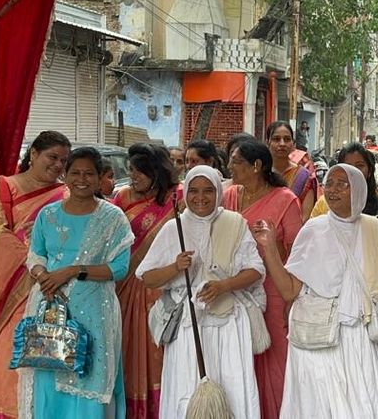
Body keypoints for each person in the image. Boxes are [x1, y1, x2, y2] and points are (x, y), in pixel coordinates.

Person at [251, 164, 378, 417]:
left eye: (342, 184)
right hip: (321, 338)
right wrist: (270, 248)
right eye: (329, 183)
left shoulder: (375, 228)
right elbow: (289, 291)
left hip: (364, 338)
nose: (333, 190)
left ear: (359, 190)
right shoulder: (314, 229)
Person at [137, 165, 265, 419]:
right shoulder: (174, 228)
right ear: (186, 194)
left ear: (218, 192)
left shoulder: (235, 223)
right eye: (193, 190)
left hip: (229, 325)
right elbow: (148, 277)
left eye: (208, 190)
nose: (200, 197)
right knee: (187, 387)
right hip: (188, 327)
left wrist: (224, 285)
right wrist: (175, 267)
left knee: (233, 387)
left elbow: (256, 270)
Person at [22, 146, 133, 418]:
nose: (81, 179)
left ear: (99, 178)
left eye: (89, 174)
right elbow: (36, 255)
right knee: (48, 369)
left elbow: (119, 268)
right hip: (50, 309)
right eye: (75, 173)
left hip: (94, 310)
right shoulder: (48, 215)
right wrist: (41, 275)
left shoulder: (112, 217)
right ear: (65, 175)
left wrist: (72, 271)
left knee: (89, 375)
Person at [0, 130, 70, 418]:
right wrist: (34, 249)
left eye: (63, 161)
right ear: (33, 154)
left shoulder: (66, 194)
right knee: (10, 361)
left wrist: (49, 241)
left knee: (47, 364)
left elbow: (71, 240)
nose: (58, 166)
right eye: (52, 157)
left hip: (49, 292)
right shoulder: (4, 187)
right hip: (12, 294)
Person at [223, 140, 303, 419]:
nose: (230, 166)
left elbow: (297, 253)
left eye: (236, 161)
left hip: (274, 292)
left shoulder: (285, 200)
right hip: (234, 292)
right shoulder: (230, 196)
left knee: (276, 365)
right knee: (240, 363)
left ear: (256, 166)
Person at [113, 143, 181, 418]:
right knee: (128, 349)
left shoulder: (178, 197)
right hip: (126, 285)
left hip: (164, 284)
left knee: (159, 351)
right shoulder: (123, 197)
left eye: (140, 171)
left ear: (156, 172)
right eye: (131, 171)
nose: (134, 177)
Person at [310, 142, 378, 218]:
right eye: (348, 166)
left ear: (369, 171)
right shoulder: (324, 204)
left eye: (359, 165)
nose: (353, 171)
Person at [266, 122, 316, 223]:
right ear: (268, 142)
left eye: (287, 139)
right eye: (276, 139)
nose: (282, 144)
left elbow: (305, 217)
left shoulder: (304, 176)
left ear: (293, 143)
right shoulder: (260, 174)